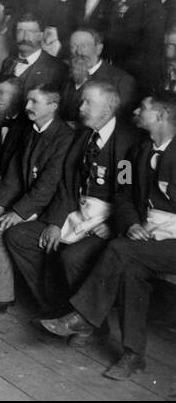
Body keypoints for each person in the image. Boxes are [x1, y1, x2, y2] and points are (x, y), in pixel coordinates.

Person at [38, 93, 176, 380]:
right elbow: (124, 194)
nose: (136, 109)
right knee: (131, 269)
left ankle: (83, 317)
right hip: (145, 240)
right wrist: (131, 223)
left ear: (161, 115)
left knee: (119, 250)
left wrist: (159, 229)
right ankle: (133, 355)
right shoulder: (138, 152)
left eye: (144, 108)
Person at [4, 81, 141, 317]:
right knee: (18, 236)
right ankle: (54, 305)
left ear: (107, 110)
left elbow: (128, 193)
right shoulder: (82, 137)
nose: (81, 107)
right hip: (76, 213)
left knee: (72, 257)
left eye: (88, 102)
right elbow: (67, 185)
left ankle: (88, 324)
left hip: (107, 222)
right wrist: (55, 223)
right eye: (82, 101)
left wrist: (113, 226)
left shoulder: (127, 145)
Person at [0, 84, 73, 314]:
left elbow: (48, 185)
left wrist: (18, 212)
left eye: (34, 102)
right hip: (27, 201)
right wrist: (1, 204)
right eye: (28, 101)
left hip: (48, 208)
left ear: (52, 106)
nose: (27, 106)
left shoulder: (64, 137)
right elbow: (13, 173)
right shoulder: (31, 130)